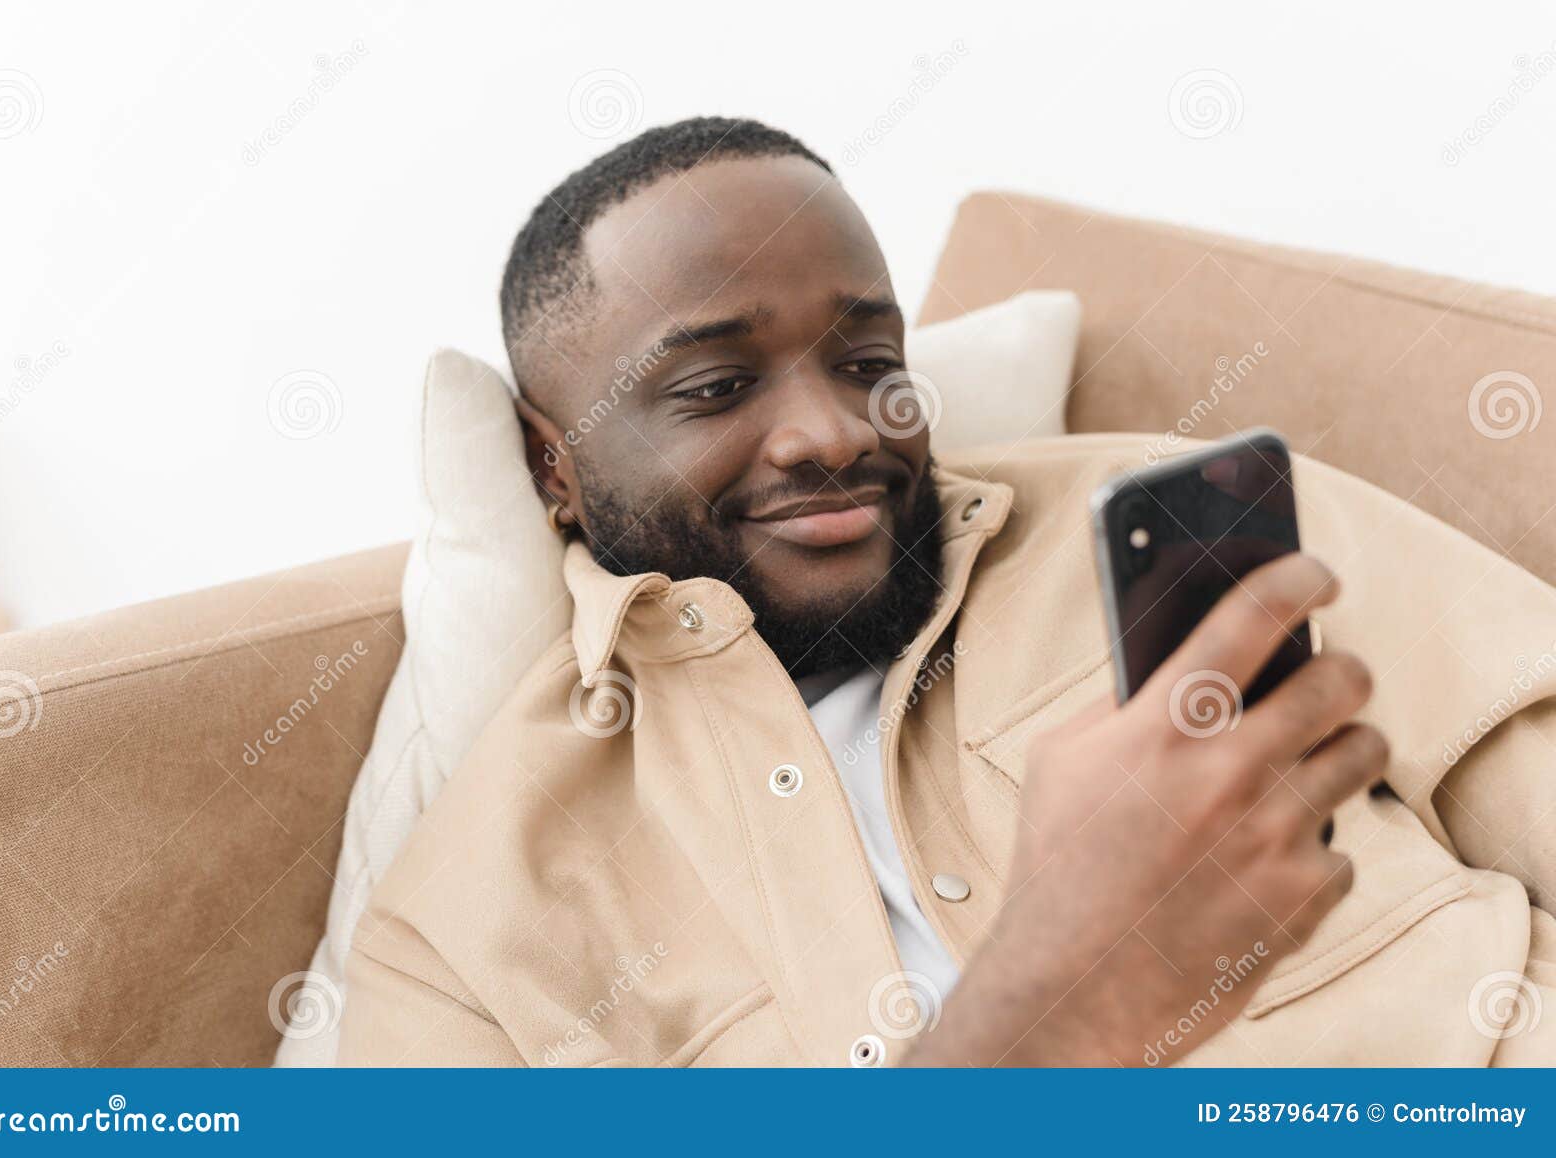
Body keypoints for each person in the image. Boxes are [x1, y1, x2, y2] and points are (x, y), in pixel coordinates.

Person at [338, 117, 1555, 1066]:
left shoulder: (1184, 520)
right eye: (713, 389)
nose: (828, 431)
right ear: (556, 466)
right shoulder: (462, 928)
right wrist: (1058, 1003)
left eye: (869, 361)